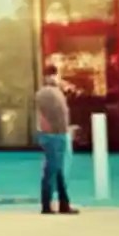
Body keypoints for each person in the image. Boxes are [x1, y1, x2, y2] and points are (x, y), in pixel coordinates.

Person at [35, 63, 79, 215]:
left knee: (58, 171)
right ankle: (47, 204)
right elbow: (51, 115)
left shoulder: (53, 92)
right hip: (54, 135)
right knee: (52, 170)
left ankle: (63, 203)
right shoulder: (48, 93)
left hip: (56, 134)